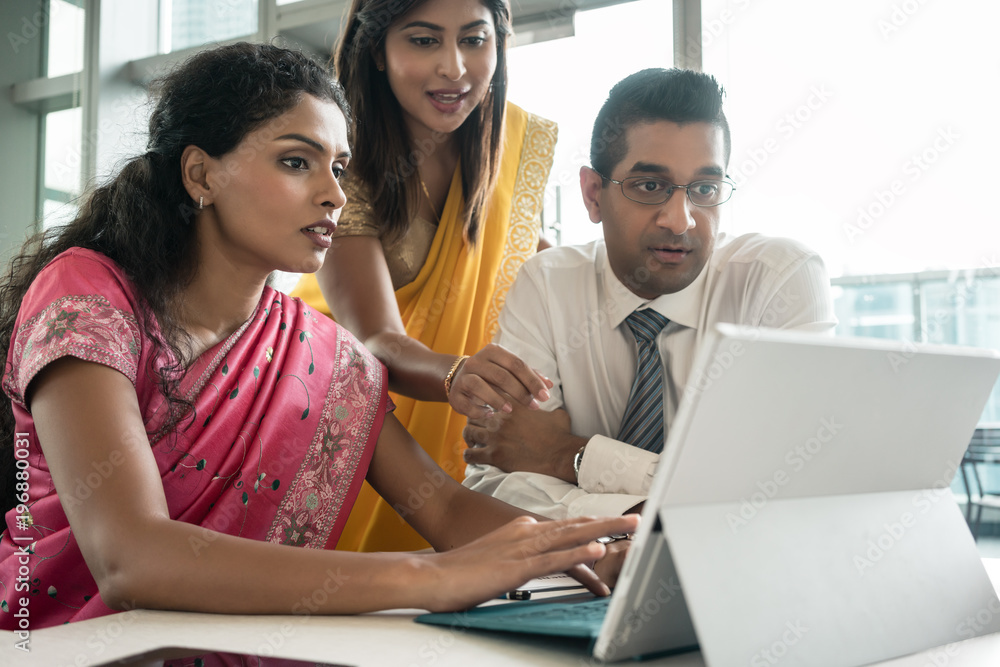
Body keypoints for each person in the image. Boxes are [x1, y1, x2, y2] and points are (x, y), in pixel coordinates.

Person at [0, 42, 637, 631]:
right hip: (63, 643)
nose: (334, 194)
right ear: (200, 175)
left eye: (339, 167)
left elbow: (442, 509)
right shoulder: (88, 295)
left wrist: (585, 550)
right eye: (296, 161)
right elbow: (130, 560)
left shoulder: (324, 355)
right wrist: (428, 576)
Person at [462, 68, 837, 518]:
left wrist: (570, 456)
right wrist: (680, 508)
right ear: (593, 194)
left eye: (704, 189)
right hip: (588, 584)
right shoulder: (547, 286)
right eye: (650, 186)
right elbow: (497, 477)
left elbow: (794, 487)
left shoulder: (777, 281)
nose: (680, 221)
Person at [291, 0, 559, 553]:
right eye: (423, 40)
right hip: (334, 415)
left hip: (467, 437)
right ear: (378, 50)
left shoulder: (509, 145)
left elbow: (538, 273)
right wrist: (458, 373)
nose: (454, 68)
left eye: (474, 39)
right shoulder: (343, 157)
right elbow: (373, 341)